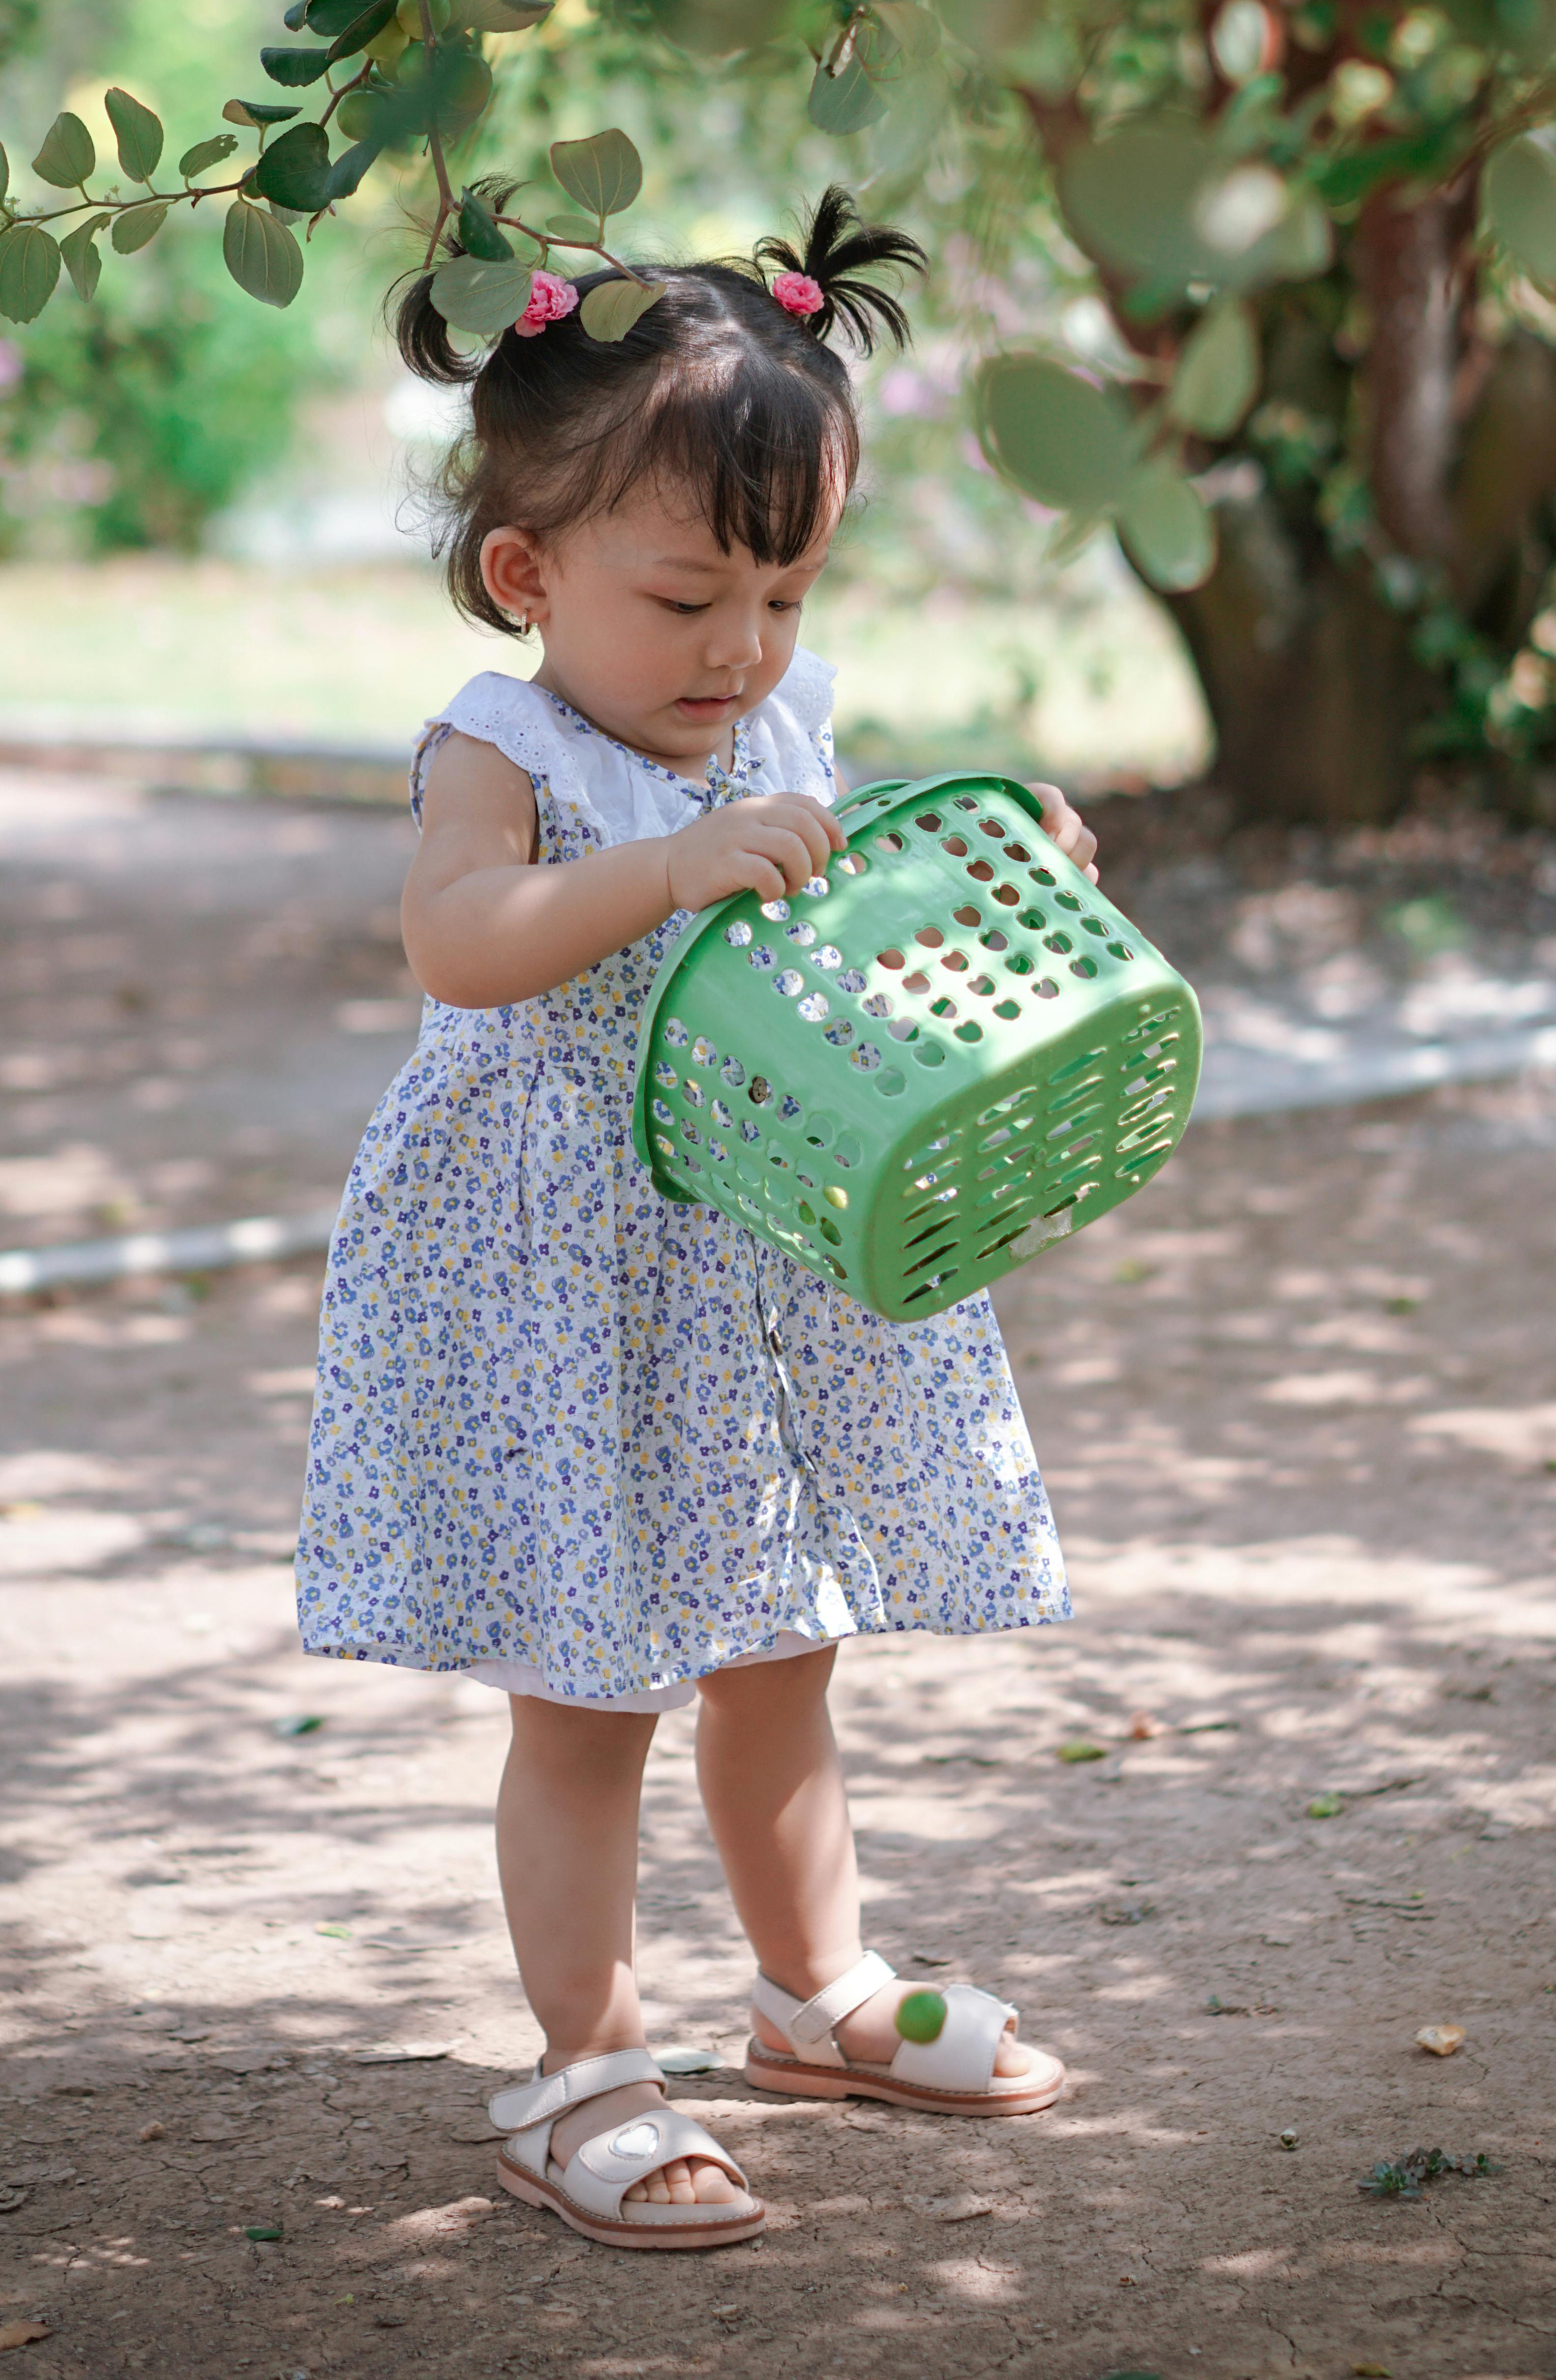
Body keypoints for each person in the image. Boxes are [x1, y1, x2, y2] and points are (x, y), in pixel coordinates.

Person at [295, 189, 1098, 2252]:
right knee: (591, 1689)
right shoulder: (505, 746)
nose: (738, 651)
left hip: (752, 1239)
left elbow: (838, 933)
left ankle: (814, 1992)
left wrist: (981, 851)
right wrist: (660, 876)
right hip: (566, 1261)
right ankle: (582, 2061)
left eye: (785, 594)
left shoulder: (773, 730)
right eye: (684, 601)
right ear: (527, 570)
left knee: (782, 1644)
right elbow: (462, 946)